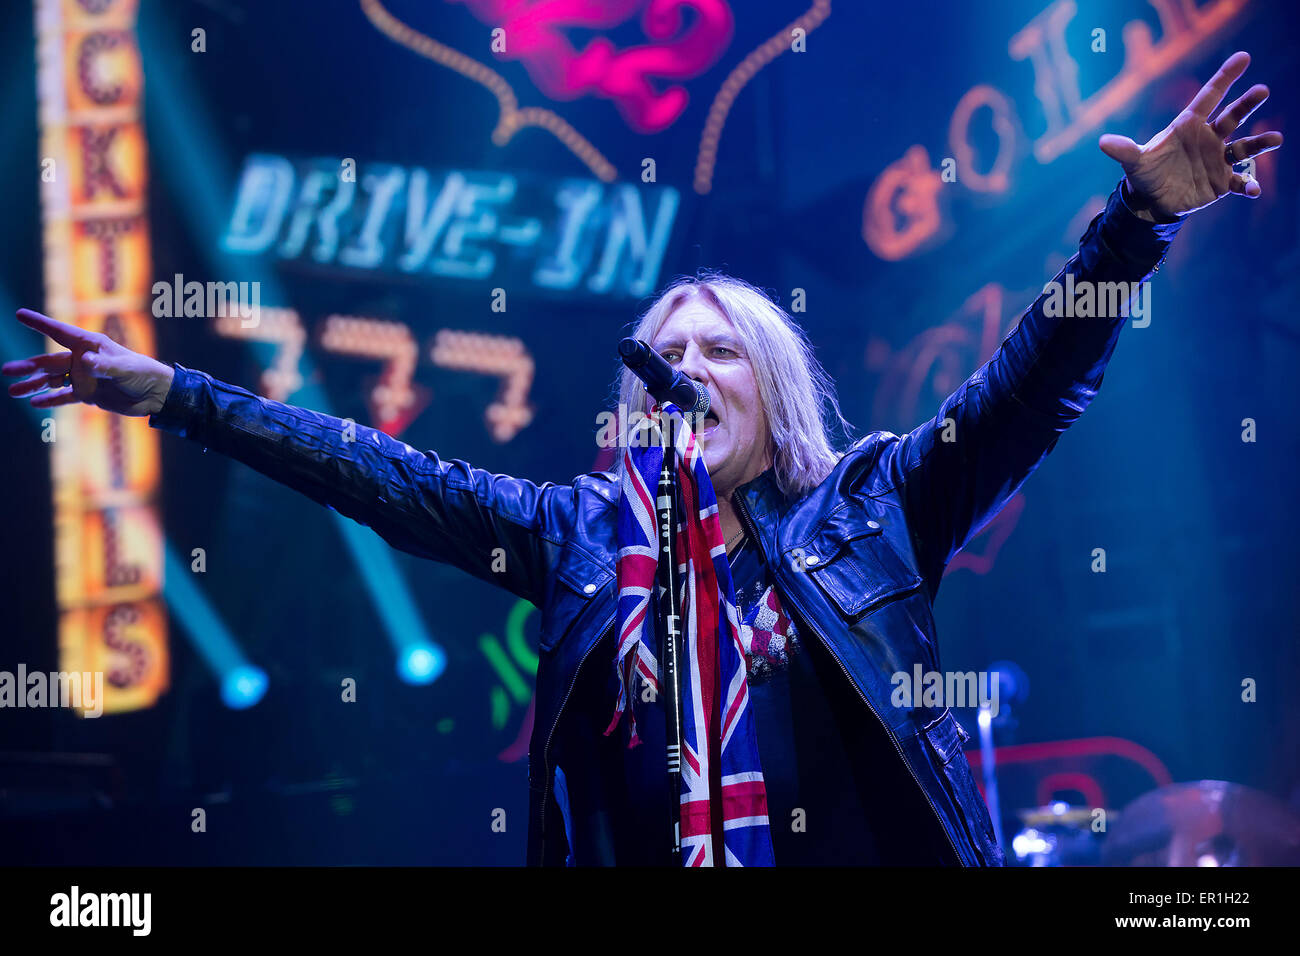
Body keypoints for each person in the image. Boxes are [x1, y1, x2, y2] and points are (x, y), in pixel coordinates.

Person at [5, 53, 1282, 866]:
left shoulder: (872, 509)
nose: (687, 371)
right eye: (664, 356)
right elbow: (368, 471)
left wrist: (1139, 220)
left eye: (719, 351)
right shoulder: (577, 537)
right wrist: (172, 391)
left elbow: (1029, 383)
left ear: (774, 393)